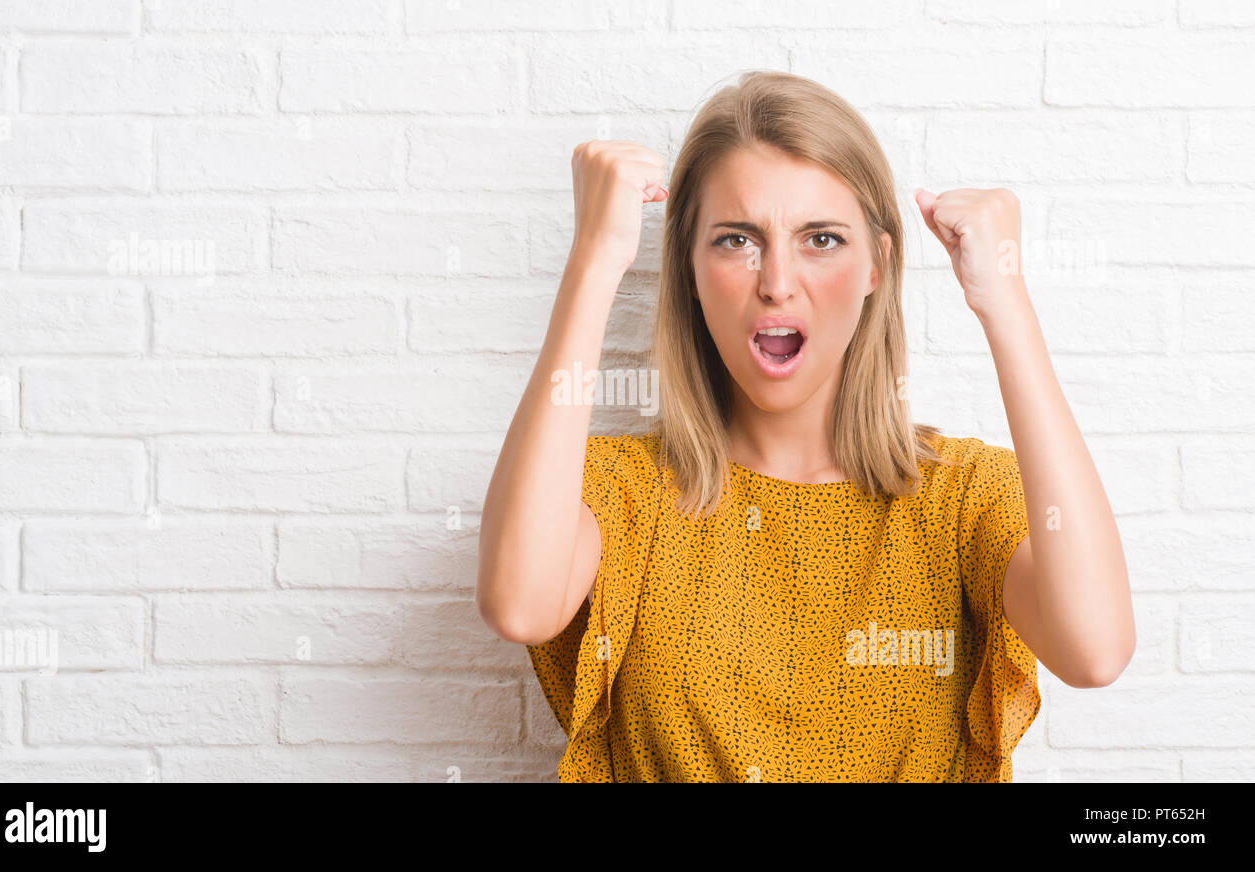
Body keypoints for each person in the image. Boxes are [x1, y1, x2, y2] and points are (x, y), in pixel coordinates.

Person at [476, 70, 1135, 782]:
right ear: (690, 270)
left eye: (821, 238)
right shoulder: (622, 491)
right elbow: (519, 604)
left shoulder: (963, 497)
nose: (777, 281)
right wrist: (595, 260)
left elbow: (1094, 650)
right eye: (736, 240)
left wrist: (1003, 299)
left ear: (878, 264)